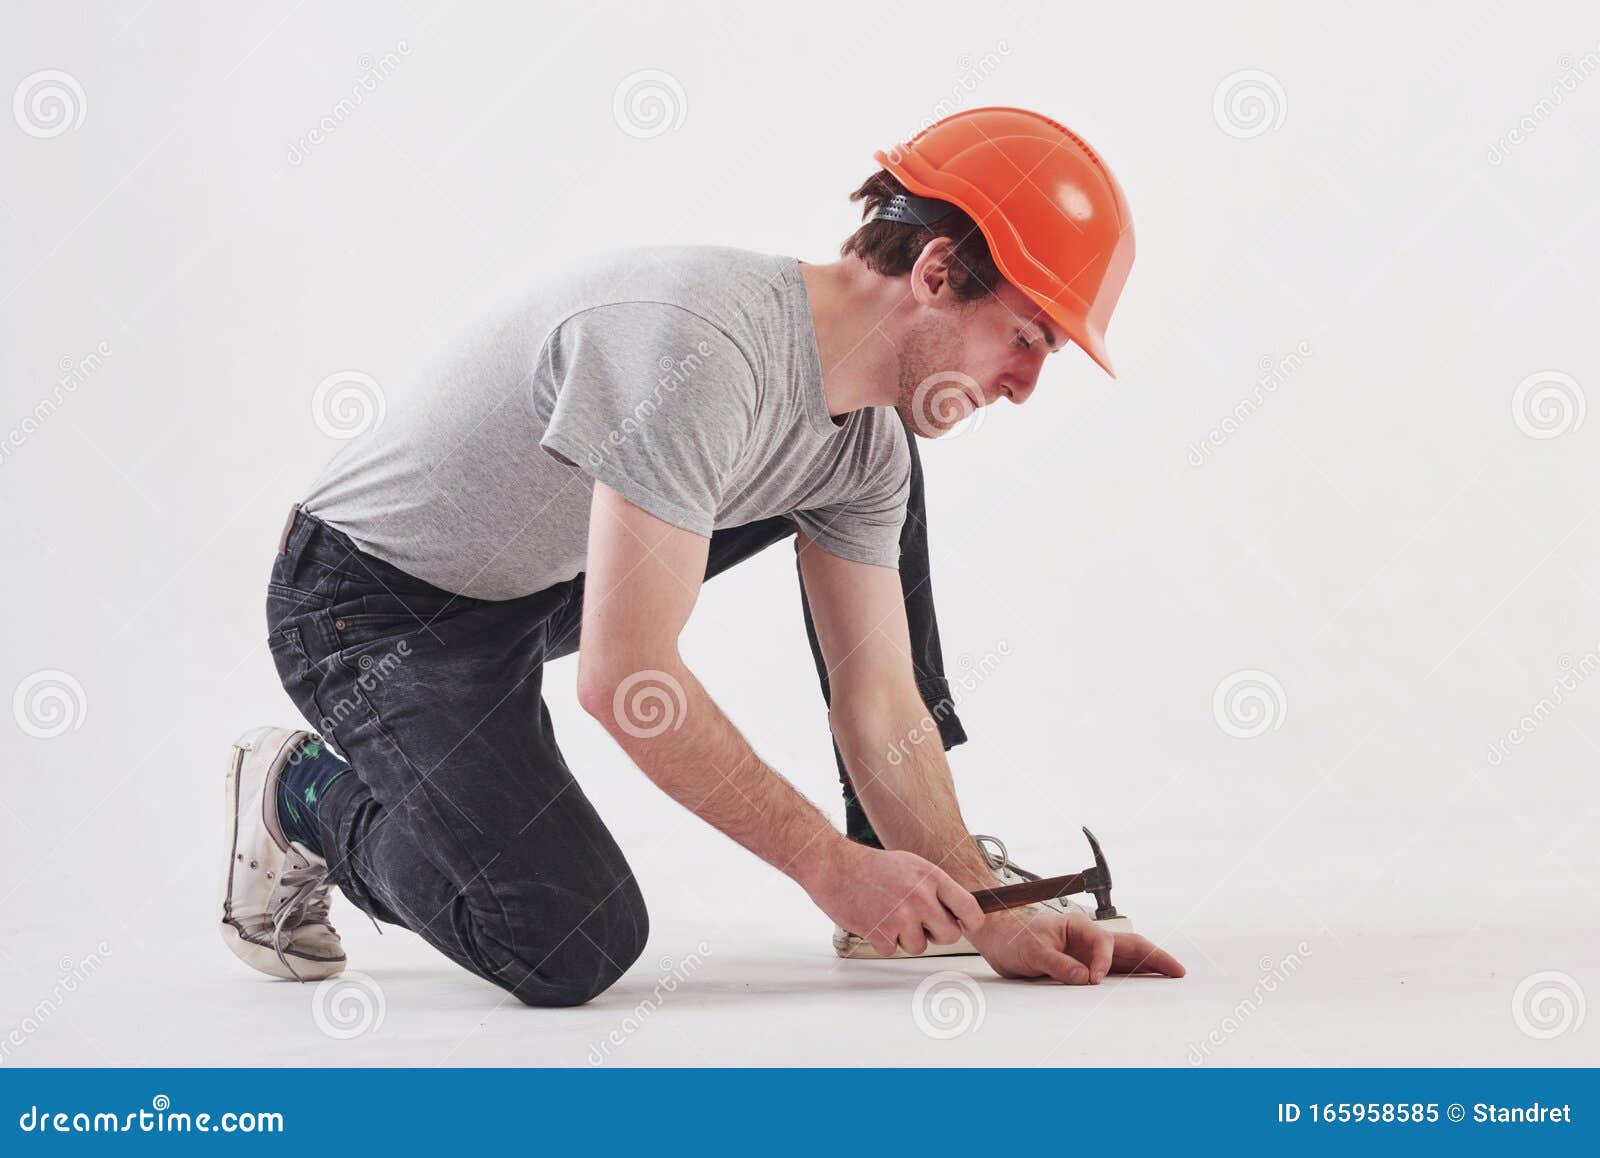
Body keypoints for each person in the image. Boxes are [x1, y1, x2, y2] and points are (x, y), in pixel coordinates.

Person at [219, 106, 1186, 1005]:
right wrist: (828, 870)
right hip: (374, 609)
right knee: (566, 940)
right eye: (1025, 338)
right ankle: (297, 793)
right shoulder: (700, 353)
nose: (1024, 386)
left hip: (543, 581)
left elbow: (880, 698)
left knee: (883, 464)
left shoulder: (863, 444)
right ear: (935, 272)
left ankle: (914, 870)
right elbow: (627, 675)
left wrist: (988, 913)